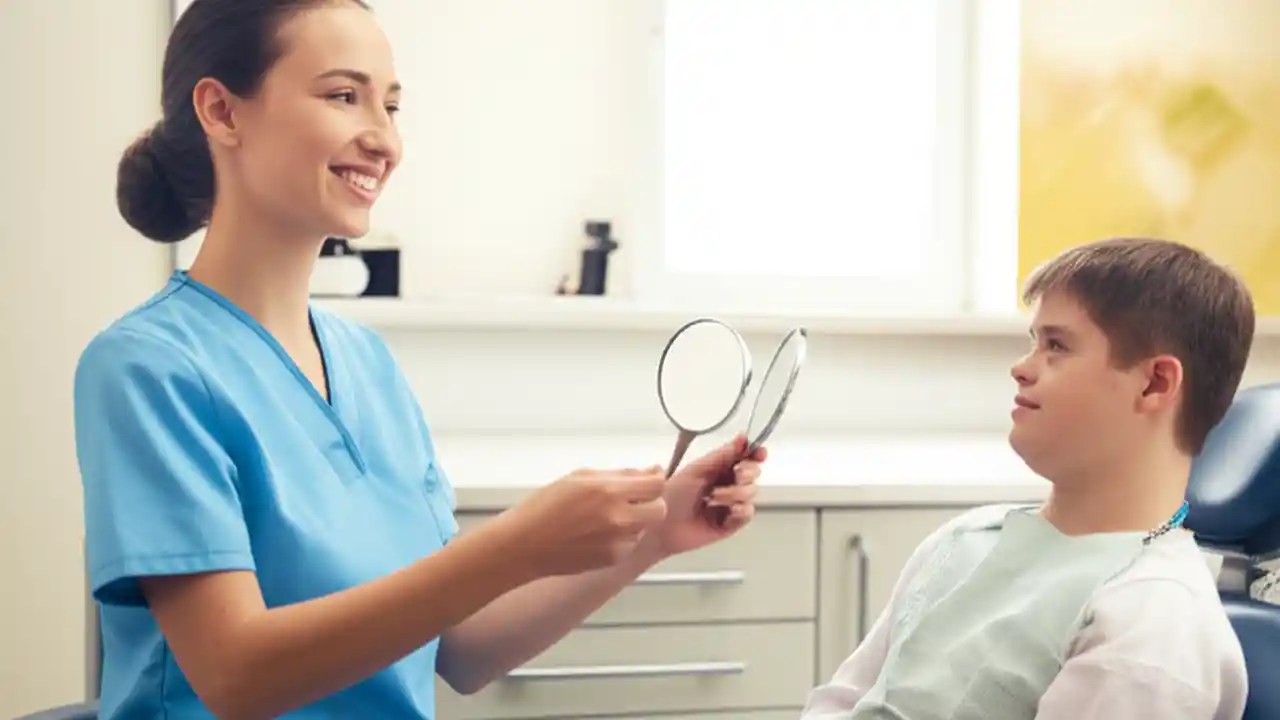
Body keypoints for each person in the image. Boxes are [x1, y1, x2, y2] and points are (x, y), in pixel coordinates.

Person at [72, 1, 766, 718]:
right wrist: (514, 546)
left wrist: (651, 532)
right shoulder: (147, 369)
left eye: (392, 106)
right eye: (345, 96)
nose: (384, 141)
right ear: (222, 111)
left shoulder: (366, 364)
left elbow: (460, 648)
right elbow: (236, 675)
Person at [802, 237, 1253, 719]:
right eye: (1033, 342)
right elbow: (840, 704)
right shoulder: (964, 542)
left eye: (1056, 346)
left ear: (1154, 383)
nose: (1021, 368)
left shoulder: (1154, 621)